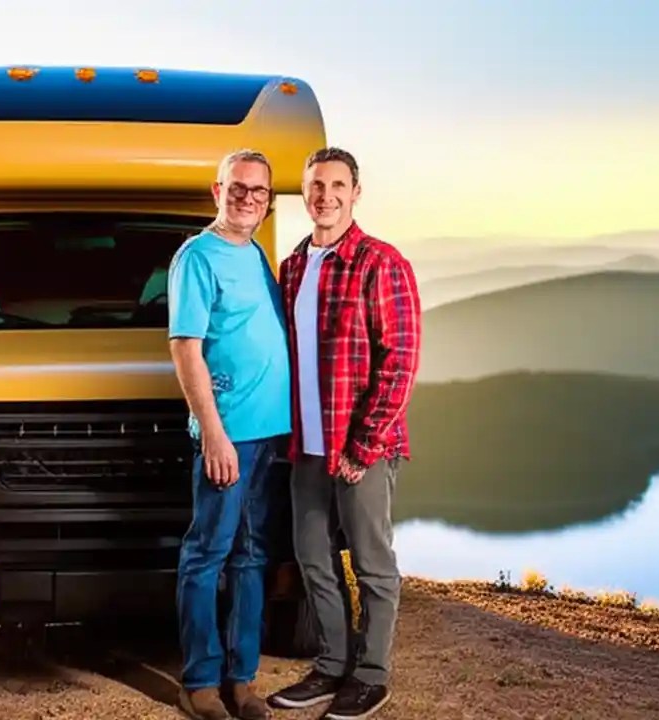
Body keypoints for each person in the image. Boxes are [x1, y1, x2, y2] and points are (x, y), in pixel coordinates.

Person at [267, 147, 421, 720]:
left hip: (361, 448)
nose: (325, 196)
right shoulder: (293, 267)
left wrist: (365, 444)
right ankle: (332, 665)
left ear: (355, 192)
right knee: (313, 558)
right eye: (316, 185)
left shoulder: (381, 262)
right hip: (306, 445)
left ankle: (371, 675)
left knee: (373, 564)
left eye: (337, 185)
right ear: (305, 193)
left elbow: (400, 360)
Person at [168, 148, 291, 720]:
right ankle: (199, 683)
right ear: (217, 192)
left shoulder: (256, 254)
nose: (247, 198)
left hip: (271, 436)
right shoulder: (197, 256)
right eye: (236, 188)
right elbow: (185, 347)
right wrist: (213, 433)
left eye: (258, 191)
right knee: (207, 556)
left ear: (267, 203)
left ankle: (241, 680)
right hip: (230, 435)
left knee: (252, 556)